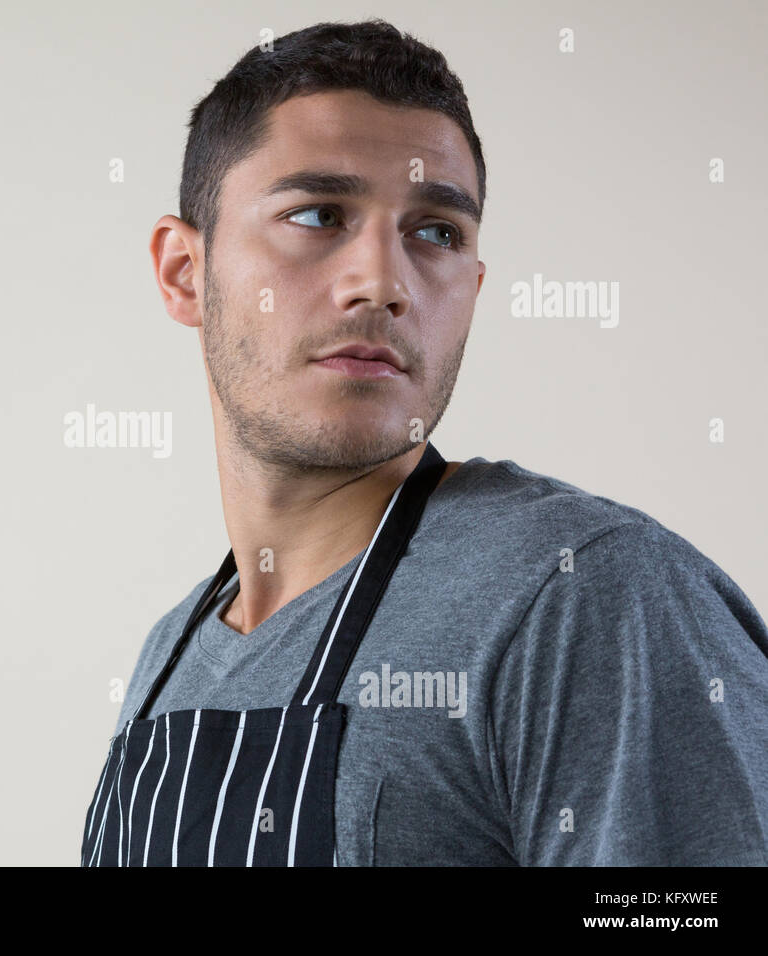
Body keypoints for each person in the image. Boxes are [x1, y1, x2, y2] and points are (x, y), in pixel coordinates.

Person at [79, 19, 768, 867]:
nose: (384, 282)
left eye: (436, 232)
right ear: (185, 271)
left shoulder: (585, 596)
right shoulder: (170, 653)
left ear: (472, 289)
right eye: (318, 214)